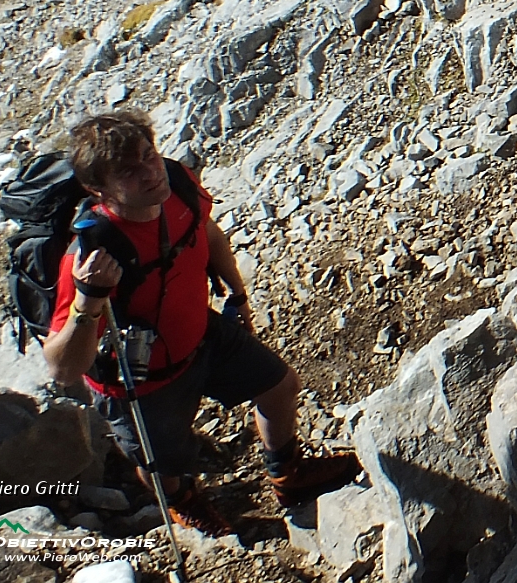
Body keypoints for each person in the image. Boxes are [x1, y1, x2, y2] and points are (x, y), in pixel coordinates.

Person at [43, 111, 360, 533]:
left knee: (280, 386)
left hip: (200, 331)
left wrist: (237, 291)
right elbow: (64, 368)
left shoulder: (177, 187)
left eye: (149, 155)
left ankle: (287, 475)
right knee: (163, 461)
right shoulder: (91, 256)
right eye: (128, 171)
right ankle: (182, 501)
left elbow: (205, 232)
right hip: (141, 381)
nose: (150, 172)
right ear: (97, 189)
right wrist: (89, 298)